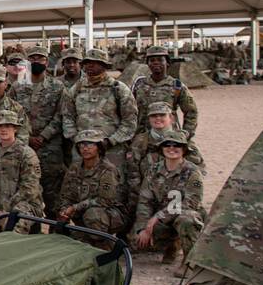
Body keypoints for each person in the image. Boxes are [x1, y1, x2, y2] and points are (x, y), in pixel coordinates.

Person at [132, 129, 205, 272]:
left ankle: (190, 261)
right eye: (167, 145)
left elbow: (190, 203)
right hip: (162, 220)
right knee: (137, 242)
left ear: (184, 149)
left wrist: (159, 217)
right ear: (162, 149)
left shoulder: (193, 172)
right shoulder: (153, 170)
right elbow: (144, 201)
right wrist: (143, 228)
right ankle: (172, 245)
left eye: (176, 145)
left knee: (187, 219)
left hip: (183, 215)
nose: (172, 148)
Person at [60, 48, 138, 169]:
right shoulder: (76, 89)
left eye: (95, 62)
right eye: (87, 63)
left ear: (104, 65)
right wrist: (76, 138)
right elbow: (67, 117)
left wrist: (110, 141)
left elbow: (129, 122)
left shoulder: (118, 89)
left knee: (112, 184)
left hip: (111, 151)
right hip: (83, 150)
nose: (90, 66)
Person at [15, 45, 68, 216]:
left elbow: (62, 115)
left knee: (53, 197)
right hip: (24, 147)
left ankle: (55, 232)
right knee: (28, 194)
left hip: (51, 150)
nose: (36, 61)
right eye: (33, 58)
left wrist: (43, 136)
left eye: (40, 58)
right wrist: (27, 137)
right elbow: (10, 114)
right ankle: (32, 230)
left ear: (47, 61)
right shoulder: (17, 86)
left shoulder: (57, 87)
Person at [0, 110, 44, 233]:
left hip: (26, 207)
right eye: (0, 126)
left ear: (15, 128)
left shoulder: (26, 153)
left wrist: (6, 210)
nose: (3, 129)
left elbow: (30, 188)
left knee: (14, 231)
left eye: (8, 126)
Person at [56, 130, 124, 243]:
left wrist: (75, 208)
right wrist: (64, 211)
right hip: (79, 213)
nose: (85, 148)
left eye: (90, 144)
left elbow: (105, 201)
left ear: (99, 147)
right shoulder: (74, 168)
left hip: (107, 213)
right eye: (81, 145)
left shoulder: (108, 169)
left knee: (93, 215)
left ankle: (103, 243)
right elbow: (65, 195)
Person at [130, 46, 199, 138]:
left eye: (160, 60)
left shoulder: (176, 86)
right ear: (147, 64)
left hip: (169, 139)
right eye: (152, 60)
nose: (156, 63)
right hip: (142, 137)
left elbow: (191, 111)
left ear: (167, 63)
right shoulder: (139, 85)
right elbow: (129, 111)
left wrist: (186, 134)